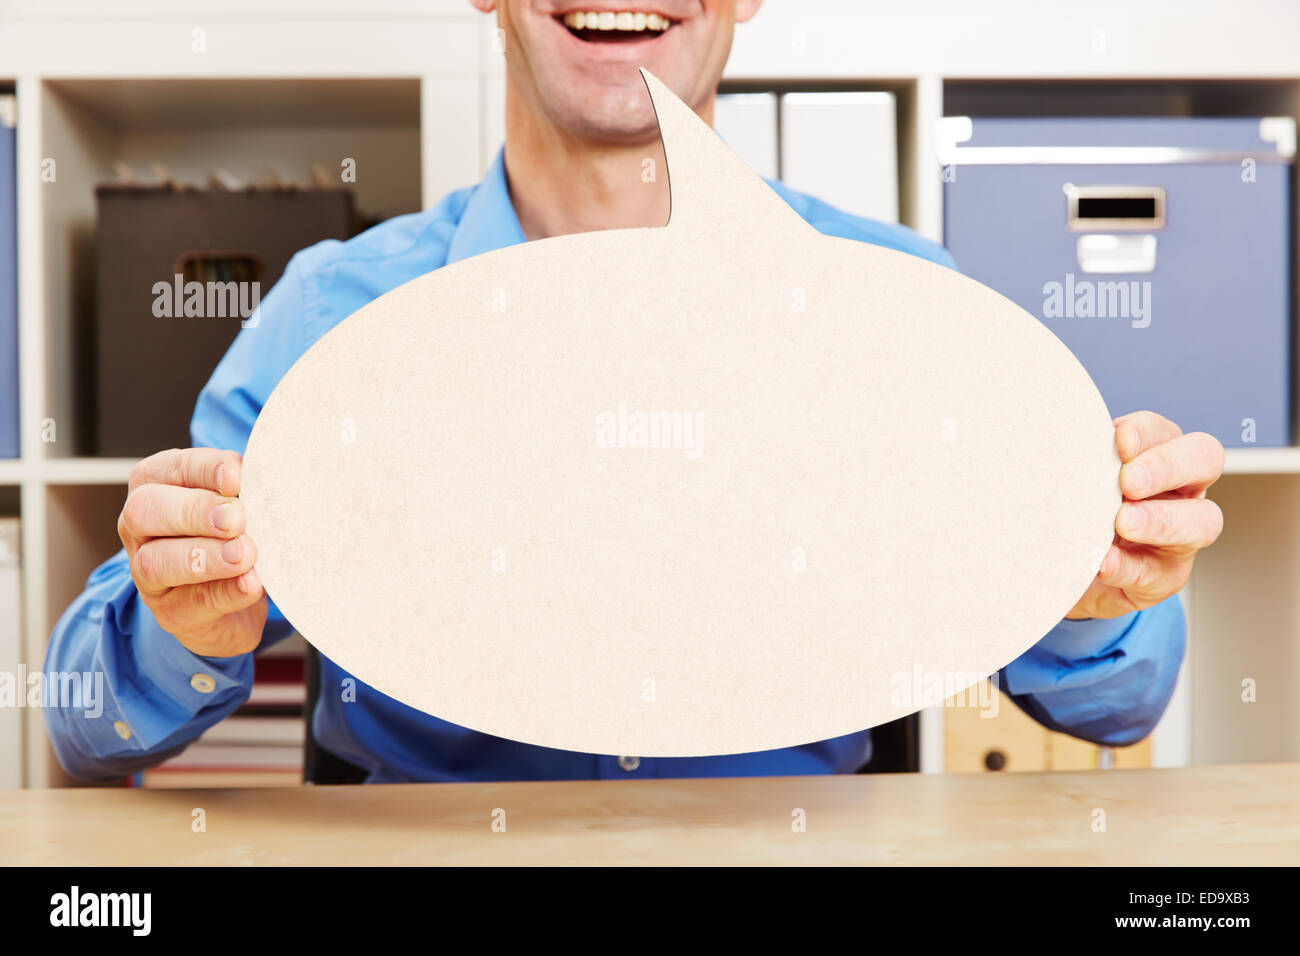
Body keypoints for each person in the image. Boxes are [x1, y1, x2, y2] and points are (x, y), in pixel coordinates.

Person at [45, 1, 1224, 782]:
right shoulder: (332, 313)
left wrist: (1093, 586)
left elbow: (1117, 709)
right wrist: (180, 620)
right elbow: (79, 719)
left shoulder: (901, 306)